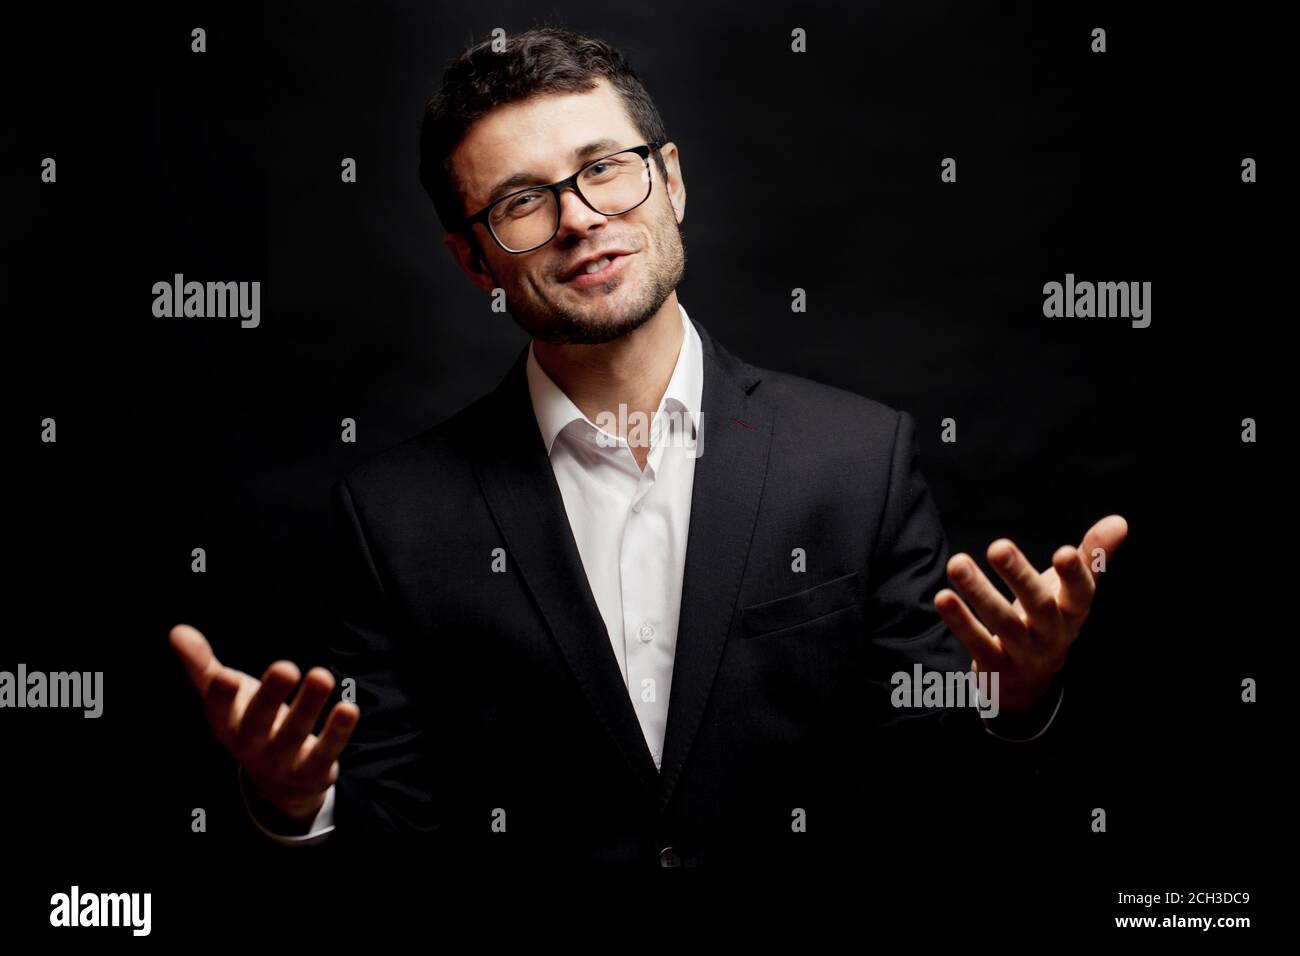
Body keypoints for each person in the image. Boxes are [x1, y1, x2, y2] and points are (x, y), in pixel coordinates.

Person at [170, 27, 1127, 867]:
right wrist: (297, 801)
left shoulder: (857, 460)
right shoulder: (393, 519)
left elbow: (930, 791)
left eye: (604, 168)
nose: (580, 218)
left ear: (669, 179)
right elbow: (398, 827)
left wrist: (1011, 697)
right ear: (472, 259)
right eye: (520, 202)